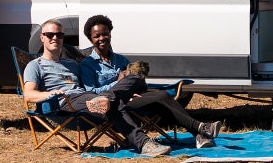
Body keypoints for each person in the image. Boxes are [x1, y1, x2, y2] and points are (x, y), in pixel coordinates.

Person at [22, 19, 172, 157]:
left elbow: (91, 86)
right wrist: (50, 94)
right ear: (42, 37)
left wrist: (125, 90)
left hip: (87, 99)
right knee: (112, 101)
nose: (55, 38)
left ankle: (111, 101)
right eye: (50, 34)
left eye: (59, 35)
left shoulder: (72, 64)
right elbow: (28, 95)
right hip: (64, 104)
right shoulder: (35, 65)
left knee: (134, 77)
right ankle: (145, 144)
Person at [81, 14, 223, 149]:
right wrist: (118, 84)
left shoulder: (121, 59)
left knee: (162, 96)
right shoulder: (87, 64)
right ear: (90, 39)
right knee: (159, 97)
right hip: (111, 106)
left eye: (105, 33)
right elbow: (91, 93)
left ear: (110, 34)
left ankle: (199, 132)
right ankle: (200, 130)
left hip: (131, 100)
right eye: (97, 36)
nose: (102, 38)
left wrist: (133, 91)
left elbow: (138, 83)